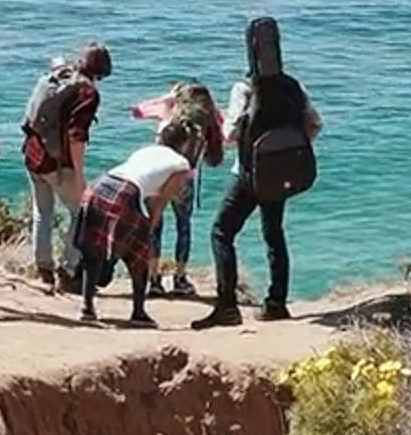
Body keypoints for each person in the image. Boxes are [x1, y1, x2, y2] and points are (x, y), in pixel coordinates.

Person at [194, 17, 322, 329]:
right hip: (281, 173)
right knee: (274, 235)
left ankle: (227, 307)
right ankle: (276, 303)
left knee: (221, 233)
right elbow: (315, 125)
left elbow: (231, 135)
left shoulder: (245, 88)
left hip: (250, 174)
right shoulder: (293, 86)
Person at [73, 118, 202, 326]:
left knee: (93, 251)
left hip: (99, 184)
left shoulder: (145, 151)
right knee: (139, 255)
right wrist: (150, 226)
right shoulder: (181, 164)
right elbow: (160, 200)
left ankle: (87, 308)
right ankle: (138, 312)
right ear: (184, 144)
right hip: (125, 192)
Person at [19, 43, 113, 292]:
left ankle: (43, 270)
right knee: (83, 214)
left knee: (43, 212)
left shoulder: (62, 74)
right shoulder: (88, 93)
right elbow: (76, 136)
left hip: (32, 152)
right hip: (55, 163)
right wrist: (79, 175)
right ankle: (69, 270)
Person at [130, 82, 226, 297]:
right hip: (184, 179)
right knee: (184, 226)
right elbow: (216, 156)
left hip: (158, 176)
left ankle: (154, 279)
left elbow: (137, 112)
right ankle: (180, 279)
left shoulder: (169, 112)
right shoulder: (208, 120)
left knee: (155, 226)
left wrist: (167, 98)